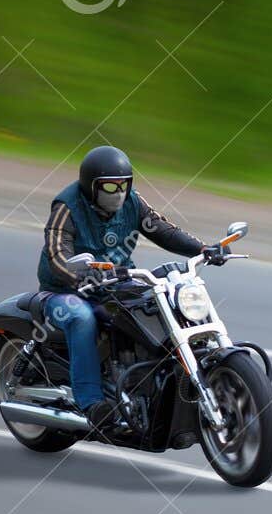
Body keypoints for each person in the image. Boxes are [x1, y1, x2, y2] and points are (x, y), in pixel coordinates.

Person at [36, 145, 222, 430]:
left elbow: (162, 229)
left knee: (158, 301)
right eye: (110, 187)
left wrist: (202, 248)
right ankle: (92, 403)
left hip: (114, 282)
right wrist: (79, 276)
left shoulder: (133, 203)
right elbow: (56, 254)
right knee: (81, 318)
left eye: (124, 185)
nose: (119, 193)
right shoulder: (67, 207)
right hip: (65, 290)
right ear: (91, 187)